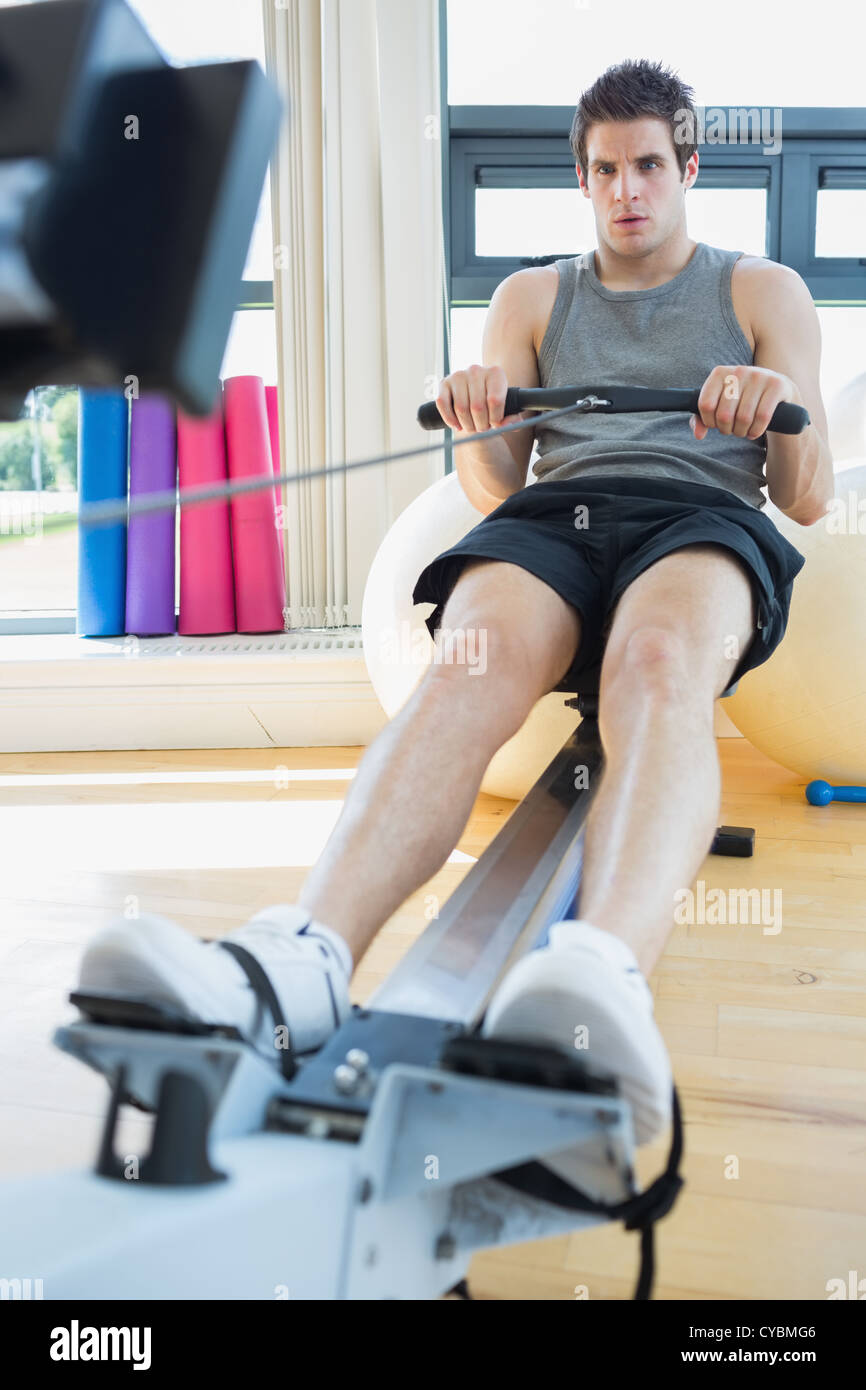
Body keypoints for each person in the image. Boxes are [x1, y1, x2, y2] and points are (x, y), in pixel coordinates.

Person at [77, 59, 834, 1177]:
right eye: (604, 170)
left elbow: (808, 494)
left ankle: (598, 976)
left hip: (697, 517)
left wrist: (771, 413)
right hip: (553, 517)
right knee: (461, 672)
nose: (626, 189)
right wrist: (480, 417)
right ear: (581, 180)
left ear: (687, 169)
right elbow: (492, 486)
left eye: (647, 167)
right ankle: (304, 957)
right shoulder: (531, 299)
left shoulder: (760, 292)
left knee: (660, 663)